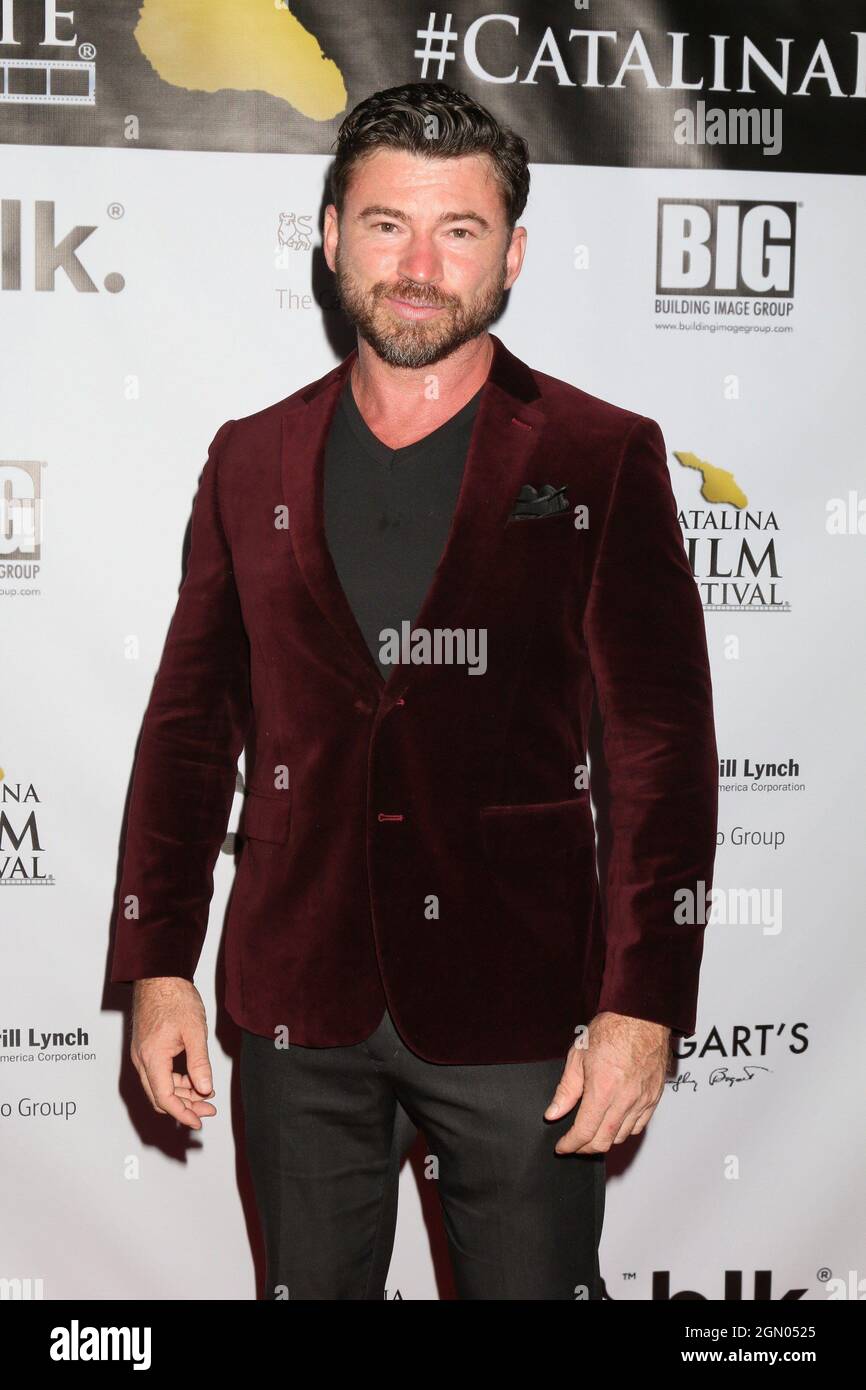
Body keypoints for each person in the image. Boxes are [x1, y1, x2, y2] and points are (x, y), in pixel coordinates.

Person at [112, 81, 718, 1300]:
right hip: (297, 1004)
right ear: (331, 237)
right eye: (387, 225)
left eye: (460, 230)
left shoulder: (599, 454)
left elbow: (658, 750)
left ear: (513, 254)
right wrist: (158, 960)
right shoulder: (249, 455)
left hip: (520, 1013)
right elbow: (190, 726)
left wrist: (641, 1003)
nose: (420, 265)